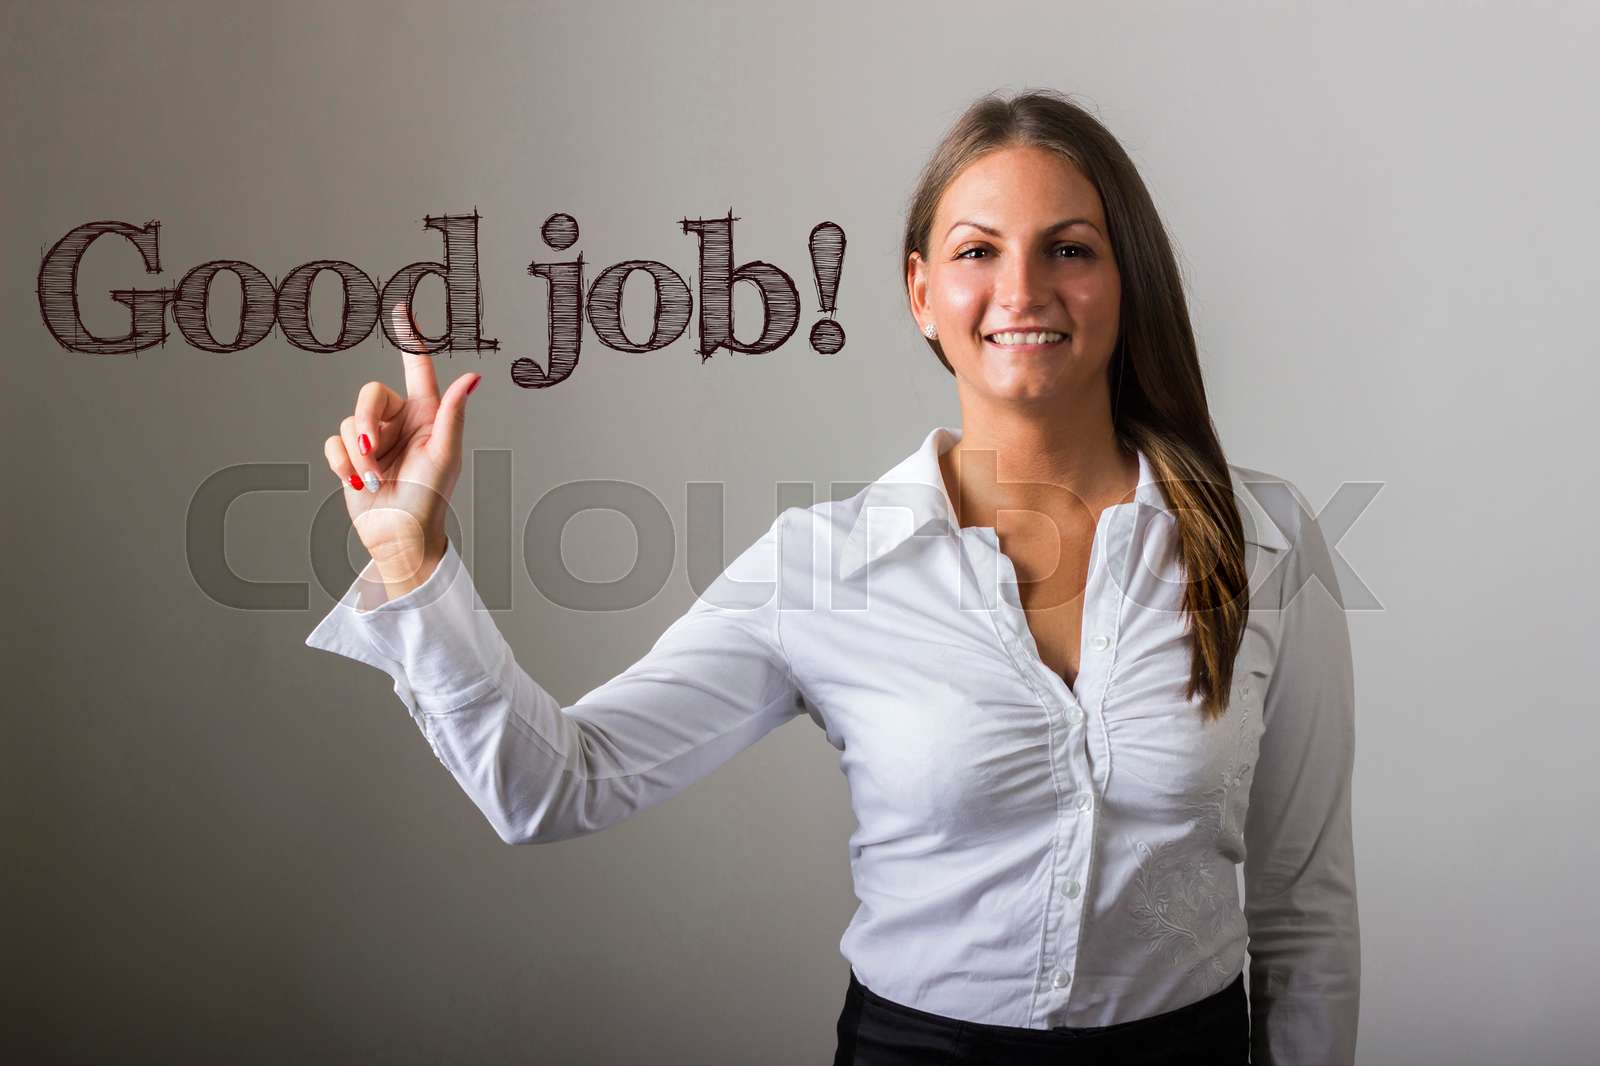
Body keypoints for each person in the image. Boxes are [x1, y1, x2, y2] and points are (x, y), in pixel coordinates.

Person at [307, 89, 1359, 1066]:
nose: (1022, 289)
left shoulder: (1265, 542)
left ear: (1126, 281)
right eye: (977, 250)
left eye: (1070, 248)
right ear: (921, 293)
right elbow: (558, 784)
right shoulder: (820, 567)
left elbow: (1303, 909)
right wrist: (410, 555)